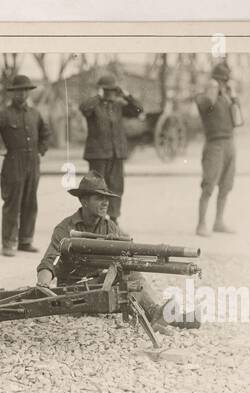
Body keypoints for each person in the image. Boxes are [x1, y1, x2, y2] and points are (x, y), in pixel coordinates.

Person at [36, 173, 198, 330]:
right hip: (74, 293)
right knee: (130, 282)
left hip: (100, 286)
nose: (105, 203)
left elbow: (129, 253)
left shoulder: (109, 227)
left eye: (106, 198)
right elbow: (50, 262)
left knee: (130, 271)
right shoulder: (65, 228)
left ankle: (164, 316)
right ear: (84, 201)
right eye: (99, 198)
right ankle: (160, 314)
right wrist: (43, 289)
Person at [0, 74, 53, 257]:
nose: (22, 94)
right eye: (19, 91)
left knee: (30, 202)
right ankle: (9, 243)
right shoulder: (4, 114)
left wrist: (40, 150)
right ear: (12, 93)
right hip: (13, 162)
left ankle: (25, 241)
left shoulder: (35, 114)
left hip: (33, 163)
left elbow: (46, 133)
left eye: (25, 90)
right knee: (13, 203)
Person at [79, 73, 143, 220]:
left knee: (116, 188)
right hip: (98, 155)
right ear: (101, 90)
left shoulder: (118, 106)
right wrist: (99, 96)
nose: (111, 93)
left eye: (113, 90)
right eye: (107, 90)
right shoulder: (94, 105)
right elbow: (83, 108)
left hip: (116, 153)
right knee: (96, 189)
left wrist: (126, 95)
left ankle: (113, 222)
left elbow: (139, 109)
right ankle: (95, 223)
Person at [194, 62, 239, 235]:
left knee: (226, 185)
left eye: (224, 81)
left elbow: (238, 120)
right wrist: (212, 88)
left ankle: (218, 222)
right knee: (209, 185)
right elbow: (206, 104)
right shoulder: (203, 97)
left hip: (230, 143)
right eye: (220, 80)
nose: (222, 84)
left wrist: (233, 96)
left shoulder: (227, 98)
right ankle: (201, 224)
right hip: (214, 145)